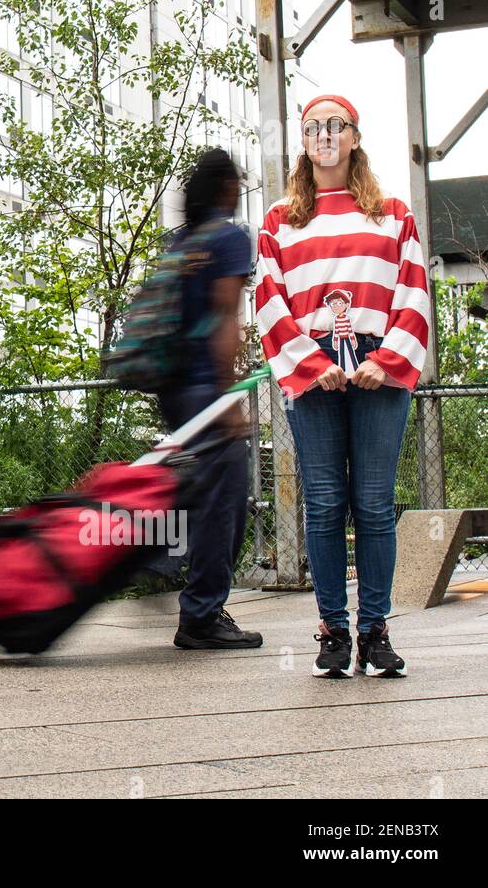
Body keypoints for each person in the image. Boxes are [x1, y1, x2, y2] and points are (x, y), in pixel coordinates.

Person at [255, 94, 430, 679]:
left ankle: (374, 631)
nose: (324, 136)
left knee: (375, 505)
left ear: (355, 136)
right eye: (313, 128)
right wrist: (308, 363)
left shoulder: (392, 213)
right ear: (302, 142)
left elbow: (414, 289)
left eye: (336, 126)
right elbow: (268, 299)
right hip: (316, 367)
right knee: (325, 503)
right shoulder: (282, 219)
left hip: (380, 362)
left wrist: (388, 357)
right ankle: (331, 628)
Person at [157, 149, 263, 651]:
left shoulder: (179, 241)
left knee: (201, 488)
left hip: (171, 387)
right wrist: (229, 397)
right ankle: (201, 614)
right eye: (237, 181)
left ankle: (156, 553)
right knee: (226, 497)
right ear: (226, 186)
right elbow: (226, 318)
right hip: (205, 385)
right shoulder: (228, 237)